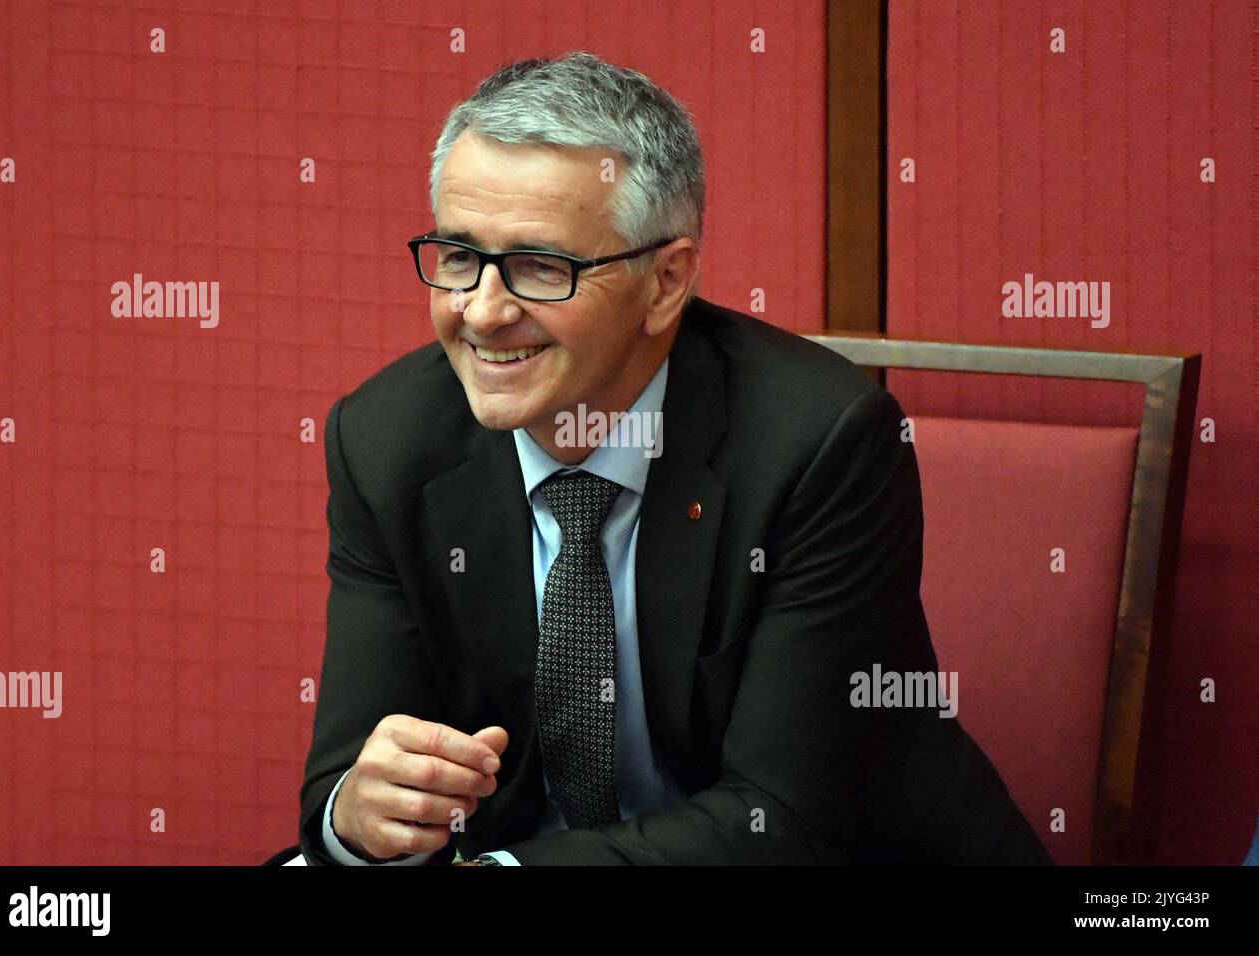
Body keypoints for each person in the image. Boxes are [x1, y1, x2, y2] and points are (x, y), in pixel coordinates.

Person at [297, 51, 1051, 865]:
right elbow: (348, 776)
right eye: (457, 257)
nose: (481, 312)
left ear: (666, 282)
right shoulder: (383, 441)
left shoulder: (819, 443)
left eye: (541, 267)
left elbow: (783, 820)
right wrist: (361, 819)